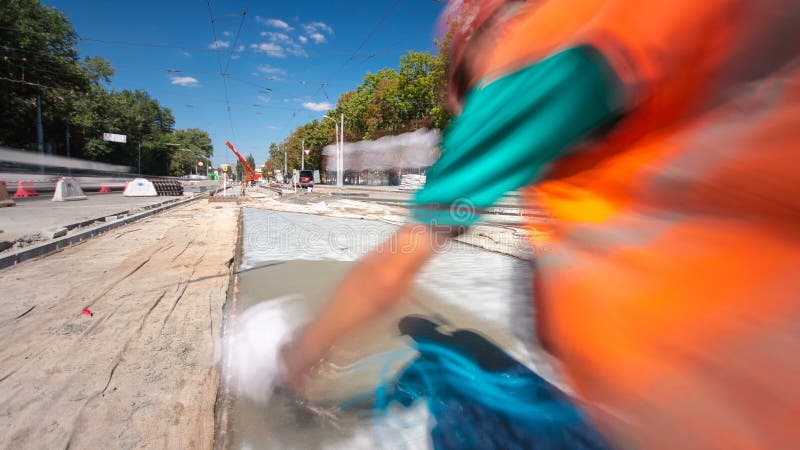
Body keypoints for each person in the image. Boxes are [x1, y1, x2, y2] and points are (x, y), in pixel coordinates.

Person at [282, 0, 800, 447]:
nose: (468, 105)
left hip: (710, 382)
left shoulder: (531, 59)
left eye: (463, 82)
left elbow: (394, 264)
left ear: (486, 35)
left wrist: (298, 358)